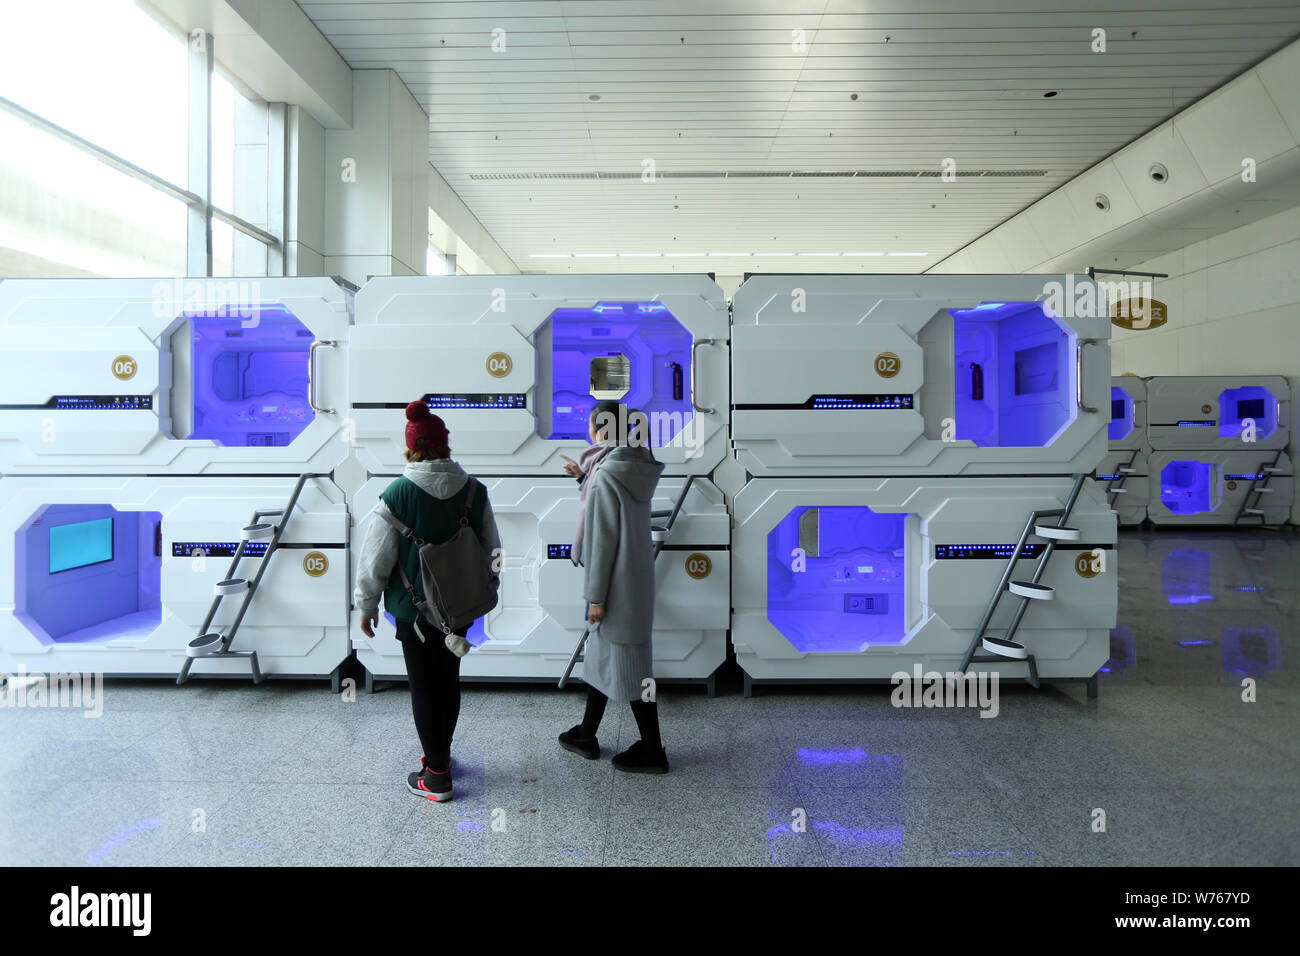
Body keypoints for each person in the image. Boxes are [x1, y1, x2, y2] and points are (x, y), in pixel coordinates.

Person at [354, 401, 501, 802]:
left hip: (412, 611)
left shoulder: (396, 494)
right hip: (459, 609)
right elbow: (493, 550)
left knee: (423, 688)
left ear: (410, 448)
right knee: (447, 680)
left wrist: (365, 605)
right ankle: (441, 755)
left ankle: (436, 776)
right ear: (445, 445)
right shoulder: (475, 490)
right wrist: (485, 587)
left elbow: (375, 559)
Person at [558, 401, 669, 773]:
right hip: (634, 580)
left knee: (632, 670)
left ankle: (654, 751)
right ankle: (586, 735)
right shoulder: (634, 465)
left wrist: (596, 598)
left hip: (613, 587)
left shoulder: (607, 476)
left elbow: (601, 540)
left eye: (590, 426)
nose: (588, 433)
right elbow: (607, 506)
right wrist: (581, 479)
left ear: (602, 431)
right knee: (605, 662)